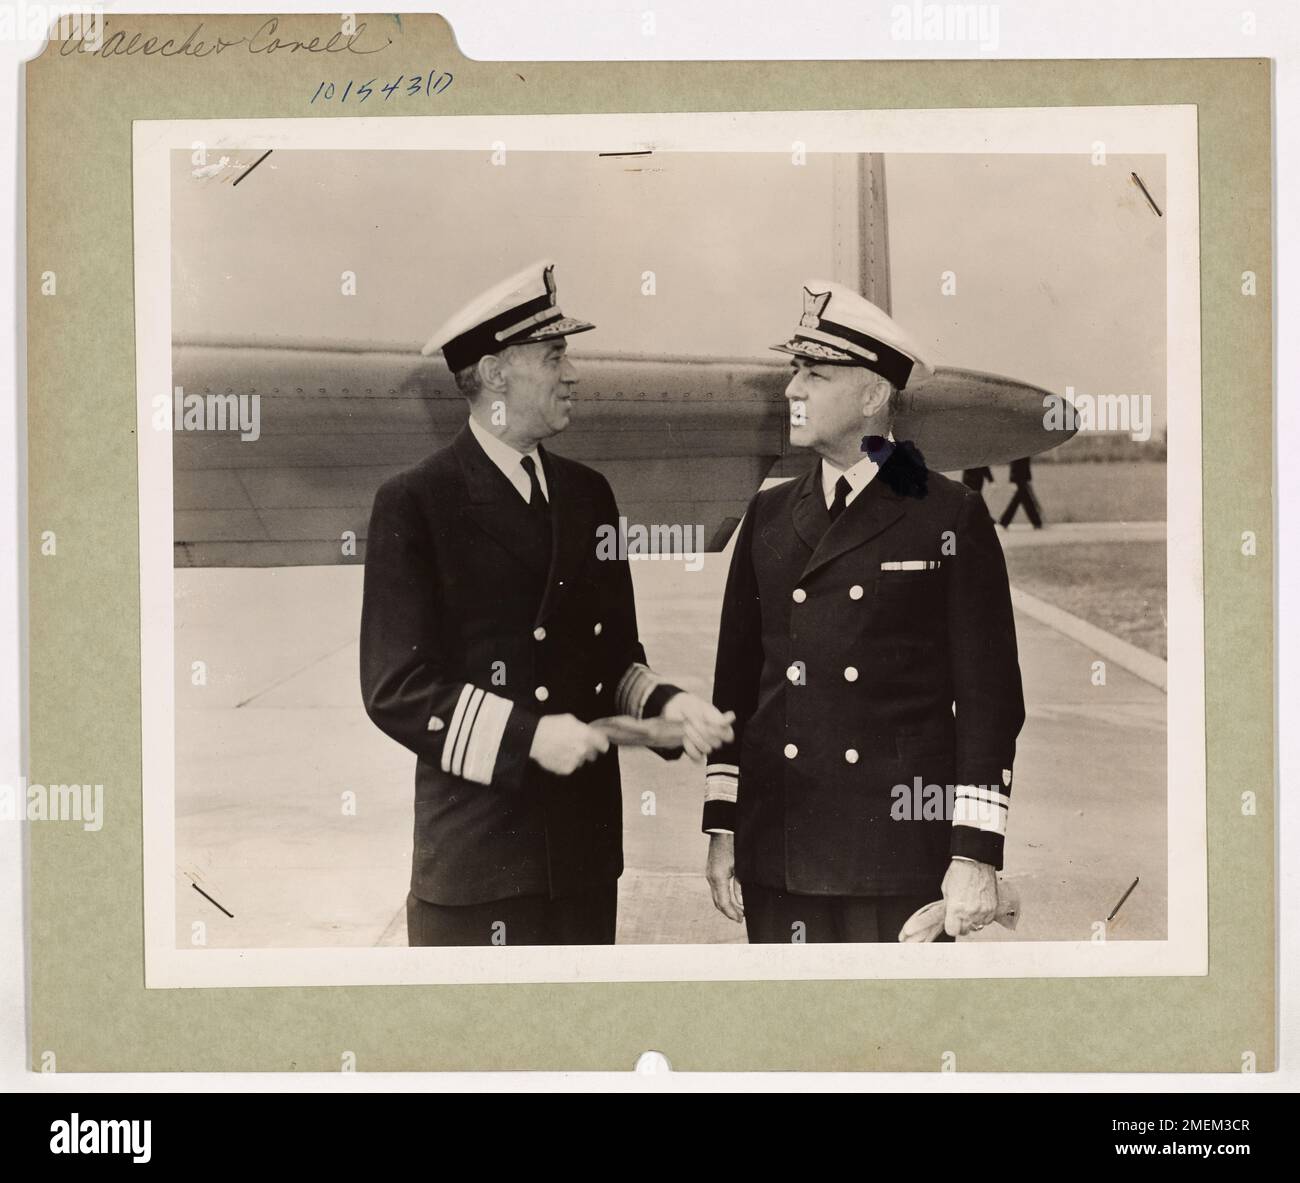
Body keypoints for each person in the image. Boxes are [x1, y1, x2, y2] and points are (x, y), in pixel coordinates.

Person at [361, 260, 732, 947]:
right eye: (555, 354)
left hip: (584, 858)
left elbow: (614, 659)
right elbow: (395, 688)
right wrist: (529, 737)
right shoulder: (415, 503)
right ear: (496, 375)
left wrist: (664, 704)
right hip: (477, 863)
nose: (573, 373)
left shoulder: (589, 495)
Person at [702, 281, 1025, 943]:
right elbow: (734, 690)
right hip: (780, 856)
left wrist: (974, 855)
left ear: (875, 394)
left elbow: (990, 700)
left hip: (896, 862)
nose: (792, 389)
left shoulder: (948, 514)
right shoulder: (766, 515)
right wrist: (722, 827)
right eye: (795, 370)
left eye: (815, 374)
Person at [998, 456, 1045, 528]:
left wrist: (1028, 478)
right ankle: (1037, 522)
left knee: (1019, 500)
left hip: (1022, 478)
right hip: (1019, 478)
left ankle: (1004, 521)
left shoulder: (1026, 451)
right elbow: (1014, 464)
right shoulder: (1021, 451)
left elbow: (1025, 464)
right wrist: (1013, 480)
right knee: (1026, 501)